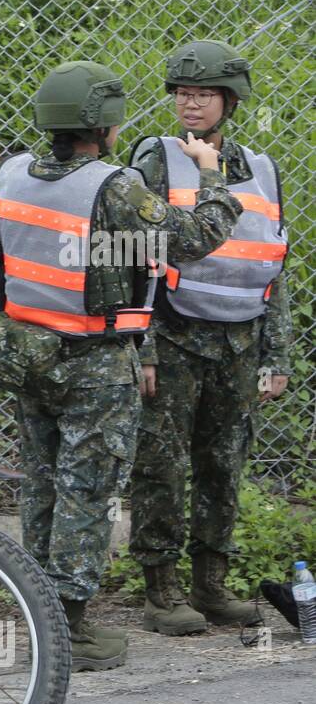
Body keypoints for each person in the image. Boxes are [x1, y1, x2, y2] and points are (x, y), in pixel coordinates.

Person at [0, 61, 241, 670]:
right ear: (104, 125)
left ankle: (37, 613)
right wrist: (213, 176)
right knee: (86, 495)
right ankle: (72, 630)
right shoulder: (113, 186)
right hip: (91, 364)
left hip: (27, 354)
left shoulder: (11, 173)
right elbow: (192, 239)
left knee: (40, 486)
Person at [127, 40, 291, 633]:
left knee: (223, 466)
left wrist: (277, 354)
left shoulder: (264, 169)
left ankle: (211, 585)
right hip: (173, 338)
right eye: (182, 93)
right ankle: (162, 591)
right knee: (162, 467)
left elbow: (274, 263)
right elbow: (132, 255)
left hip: (241, 344)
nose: (190, 104)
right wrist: (139, 345)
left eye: (203, 94)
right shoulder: (156, 161)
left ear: (230, 101)